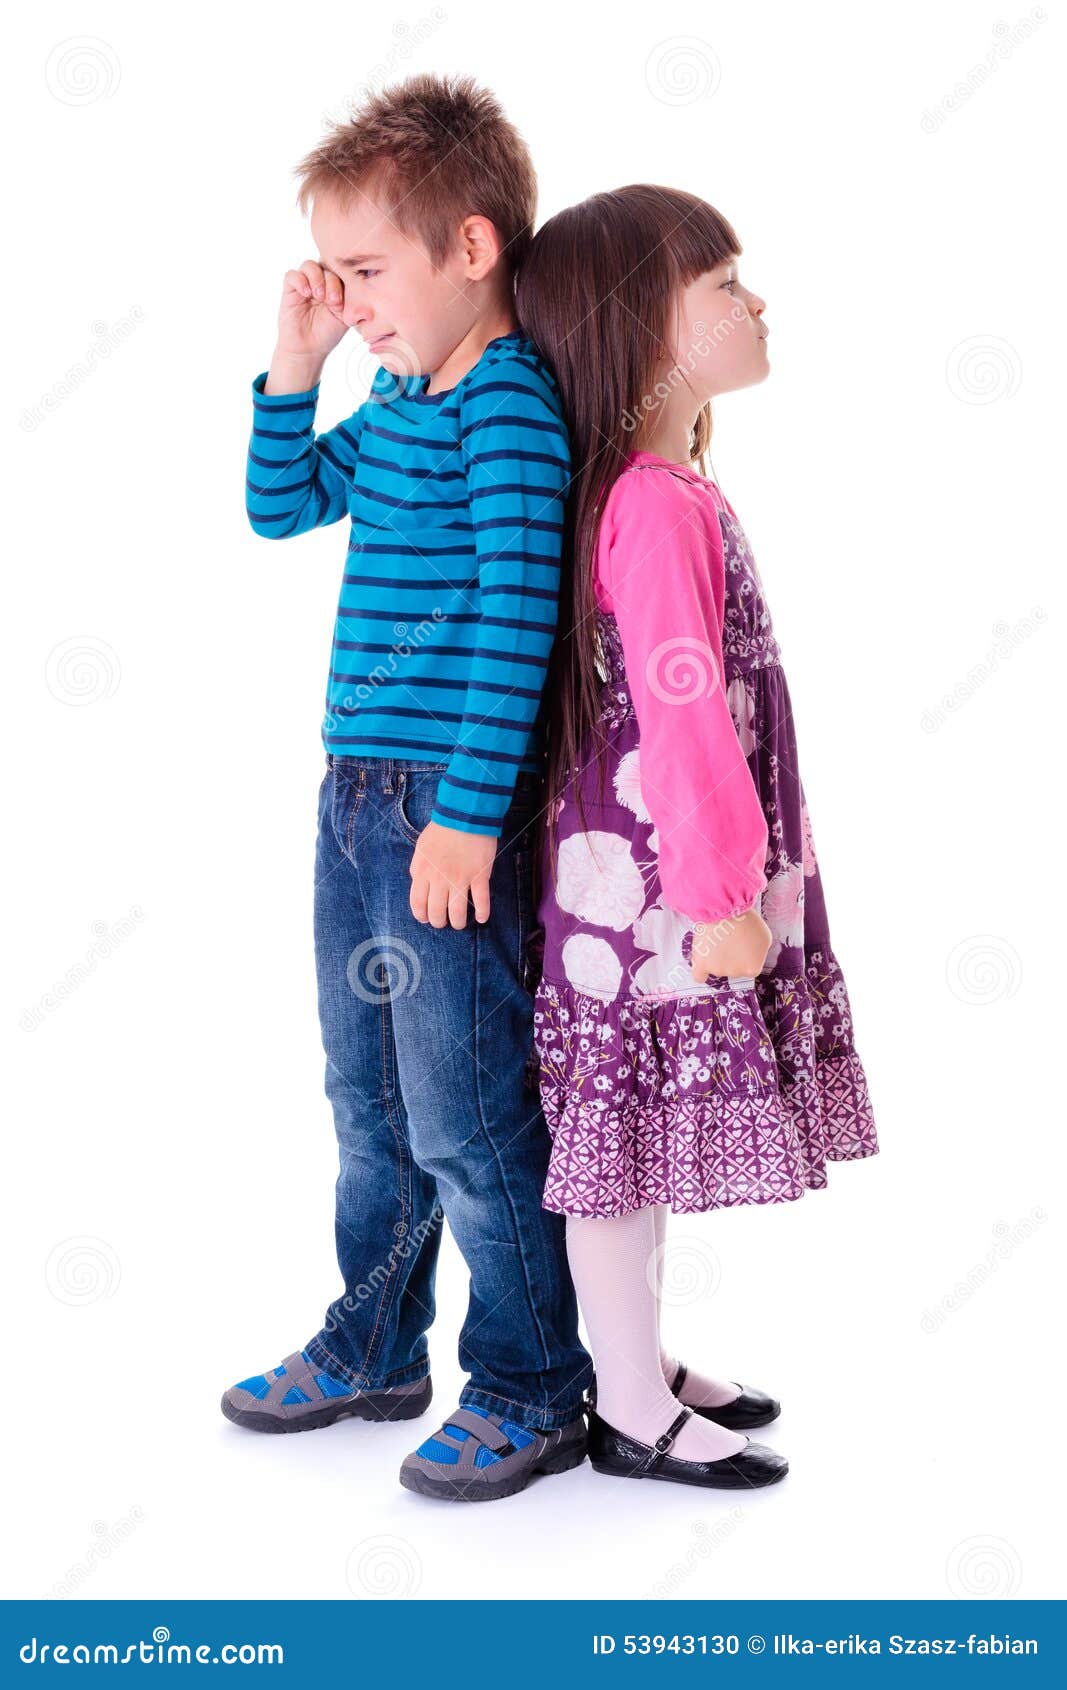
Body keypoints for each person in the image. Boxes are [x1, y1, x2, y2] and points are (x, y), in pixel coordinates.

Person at [222, 74, 592, 1502]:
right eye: (339, 274)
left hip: (448, 804)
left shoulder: (503, 406)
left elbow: (519, 611)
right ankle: (375, 1339)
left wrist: (466, 813)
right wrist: (298, 357)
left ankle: (531, 1379)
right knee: (364, 1094)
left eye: (370, 270)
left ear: (475, 249)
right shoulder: (395, 393)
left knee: (464, 1112)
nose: (354, 296)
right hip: (356, 797)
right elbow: (280, 503)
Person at [515, 184, 880, 1490]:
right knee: (616, 1134)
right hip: (652, 891)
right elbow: (682, 717)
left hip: (637, 882)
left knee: (631, 1126)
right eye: (724, 282)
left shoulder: (652, 486)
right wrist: (723, 888)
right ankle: (624, 1397)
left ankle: (635, 1352)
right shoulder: (655, 501)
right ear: (646, 330)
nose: (756, 299)